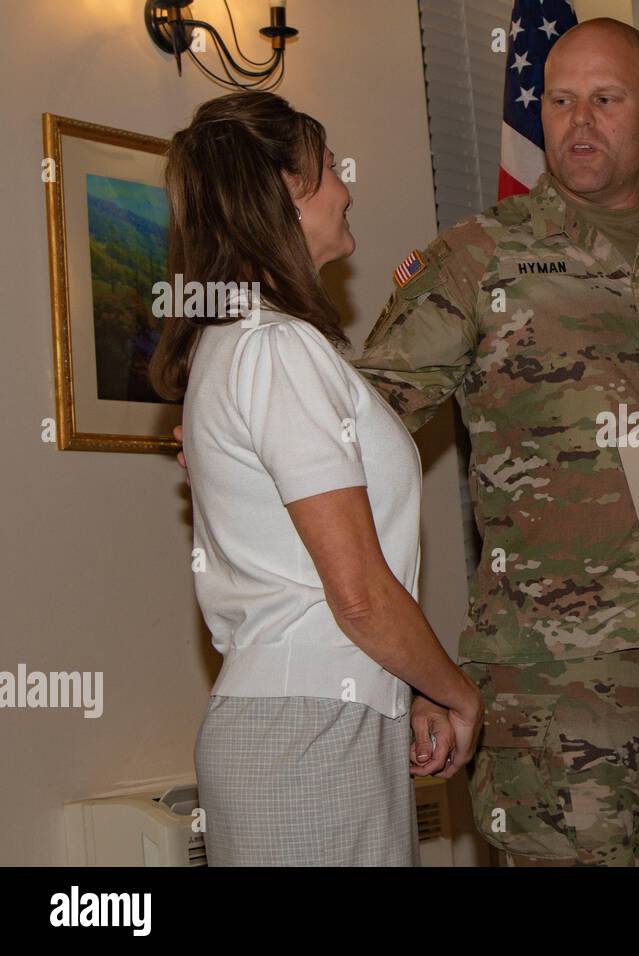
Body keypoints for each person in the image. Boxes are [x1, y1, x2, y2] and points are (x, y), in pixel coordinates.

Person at [354, 18, 639, 866]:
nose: (577, 122)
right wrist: (250, 434)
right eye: (561, 101)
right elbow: (359, 418)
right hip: (551, 681)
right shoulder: (478, 259)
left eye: (605, 101)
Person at [154, 92, 482, 866]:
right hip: (306, 731)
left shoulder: (247, 344)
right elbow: (359, 593)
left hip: (319, 719)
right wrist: (458, 691)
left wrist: (415, 689)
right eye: (330, 167)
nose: (347, 186)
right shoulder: (273, 347)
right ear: (282, 190)